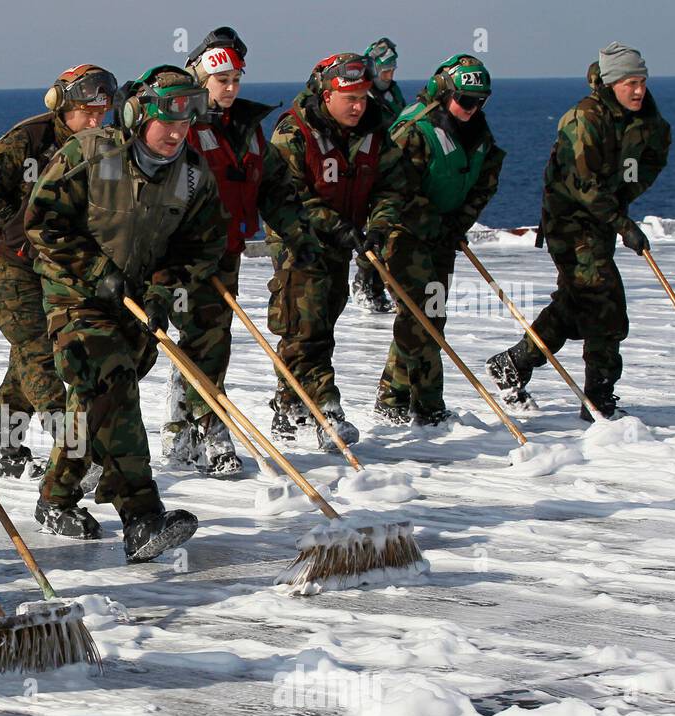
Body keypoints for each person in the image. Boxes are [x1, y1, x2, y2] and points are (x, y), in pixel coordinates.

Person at [24, 65, 222, 562]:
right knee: (113, 384)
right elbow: (43, 223)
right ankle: (141, 516)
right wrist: (95, 272)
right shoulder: (91, 154)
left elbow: (200, 247)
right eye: (167, 122)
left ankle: (57, 496)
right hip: (76, 301)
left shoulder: (194, 176)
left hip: (136, 307)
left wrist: (161, 291)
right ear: (138, 116)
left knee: (96, 406)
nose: (177, 133)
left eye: (186, 123)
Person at [486, 42, 671, 420]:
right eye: (628, 83)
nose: (637, 90)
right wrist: (624, 224)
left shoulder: (646, 118)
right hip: (570, 224)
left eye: (641, 81)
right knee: (606, 306)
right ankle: (598, 401)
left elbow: (651, 157)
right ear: (610, 82)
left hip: (602, 220)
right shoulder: (584, 119)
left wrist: (624, 196)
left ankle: (514, 362)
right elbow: (584, 186)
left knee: (576, 305)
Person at [166, 26, 320, 476]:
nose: (231, 89)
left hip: (227, 252)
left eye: (236, 80)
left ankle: (187, 429)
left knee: (209, 342)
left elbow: (273, 188)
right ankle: (204, 427)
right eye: (222, 81)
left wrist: (299, 235)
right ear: (201, 79)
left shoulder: (247, 131)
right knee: (201, 342)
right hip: (184, 257)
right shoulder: (182, 127)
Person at [0, 65, 117, 480]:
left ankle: (7, 446)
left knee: (28, 354)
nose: (94, 121)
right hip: (12, 262)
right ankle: (69, 446)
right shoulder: (27, 140)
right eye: (87, 112)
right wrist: (20, 232)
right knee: (40, 352)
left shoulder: (105, 147)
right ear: (63, 107)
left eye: (101, 112)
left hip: (61, 263)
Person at [265, 52, 407, 451]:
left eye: (363, 96)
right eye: (350, 98)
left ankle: (289, 404)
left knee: (321, 322)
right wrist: (337, 226)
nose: (359, 106)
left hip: (344, 240)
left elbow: (392, 186)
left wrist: (378, 225)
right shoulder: (294, 133)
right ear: (327, 96)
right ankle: (328, 411)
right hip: (298, 239)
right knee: (304, 325)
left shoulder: (375, 133)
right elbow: (288, 194)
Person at [373, 55, 505, 426]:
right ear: (445, 93)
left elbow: (485, 182)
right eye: (465, 100)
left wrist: (458, 222)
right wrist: (433, 222)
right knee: (420, 316)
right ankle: (425, 403)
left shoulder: (479, 133)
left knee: (429, 314)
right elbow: (394, 187)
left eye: (481, 101)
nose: (473, 108)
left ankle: (394, 395)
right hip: (405, 236)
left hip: (443, 238)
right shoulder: (415, 130)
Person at [351, 36, 404, 313]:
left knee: (385, 229)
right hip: (369, 165)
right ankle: (364, 283)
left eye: (393, 71)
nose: (390, 76)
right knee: (372, 231)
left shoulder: (394, 94)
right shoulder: (364, 96)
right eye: (385, 71)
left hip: (390, 162)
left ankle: (379, 285)